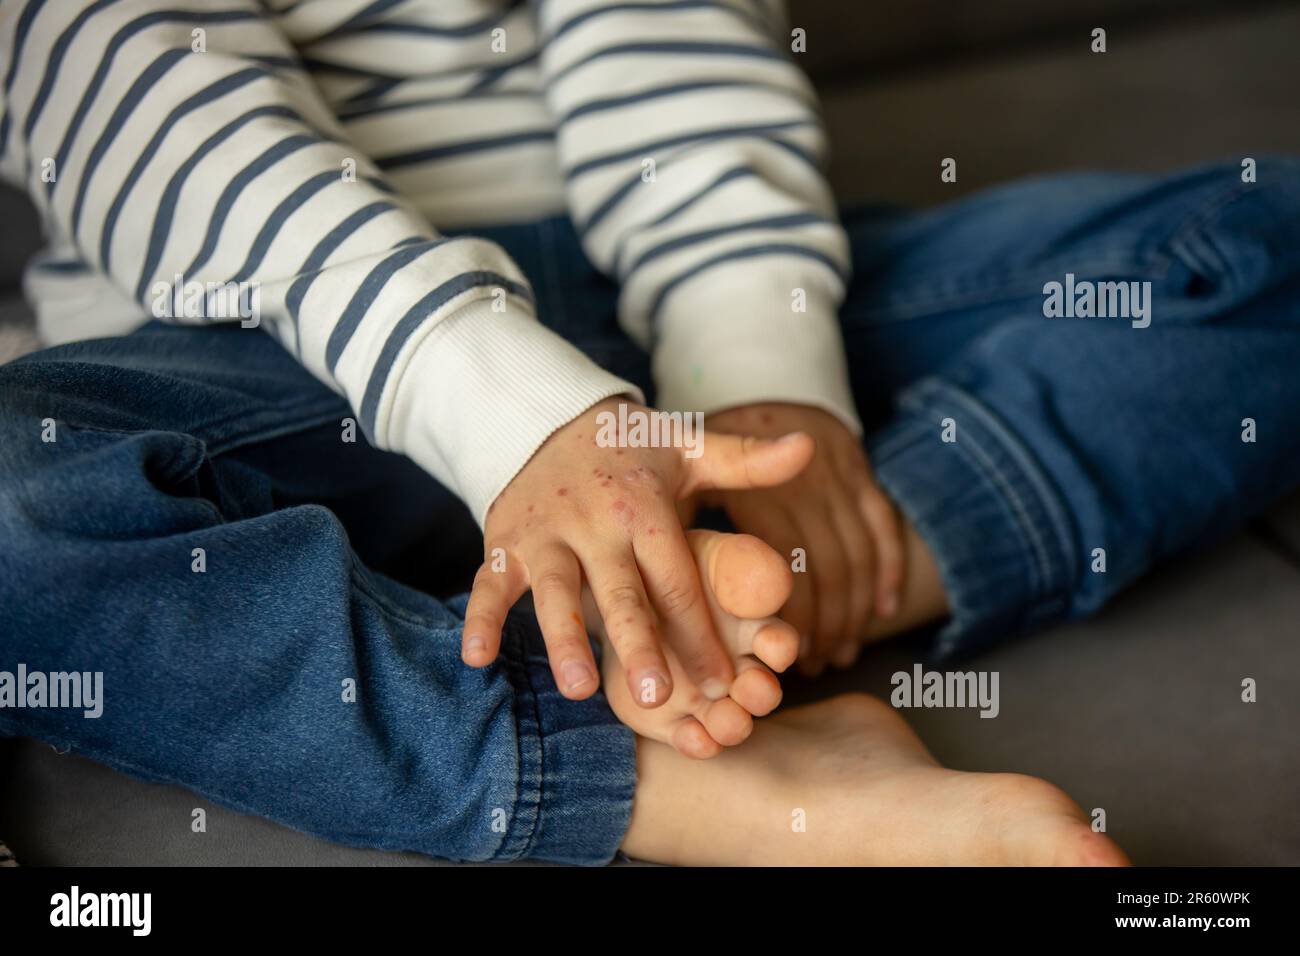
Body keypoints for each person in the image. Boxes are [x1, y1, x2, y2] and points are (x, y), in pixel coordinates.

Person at [1, 0, 1297, 865]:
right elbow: (162, 117)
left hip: (645, 283)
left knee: (1259, 239)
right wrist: (506, 406)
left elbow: (675, 54)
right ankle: (670, 767)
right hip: (276, 344)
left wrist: (760, 365)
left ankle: (752, 579)